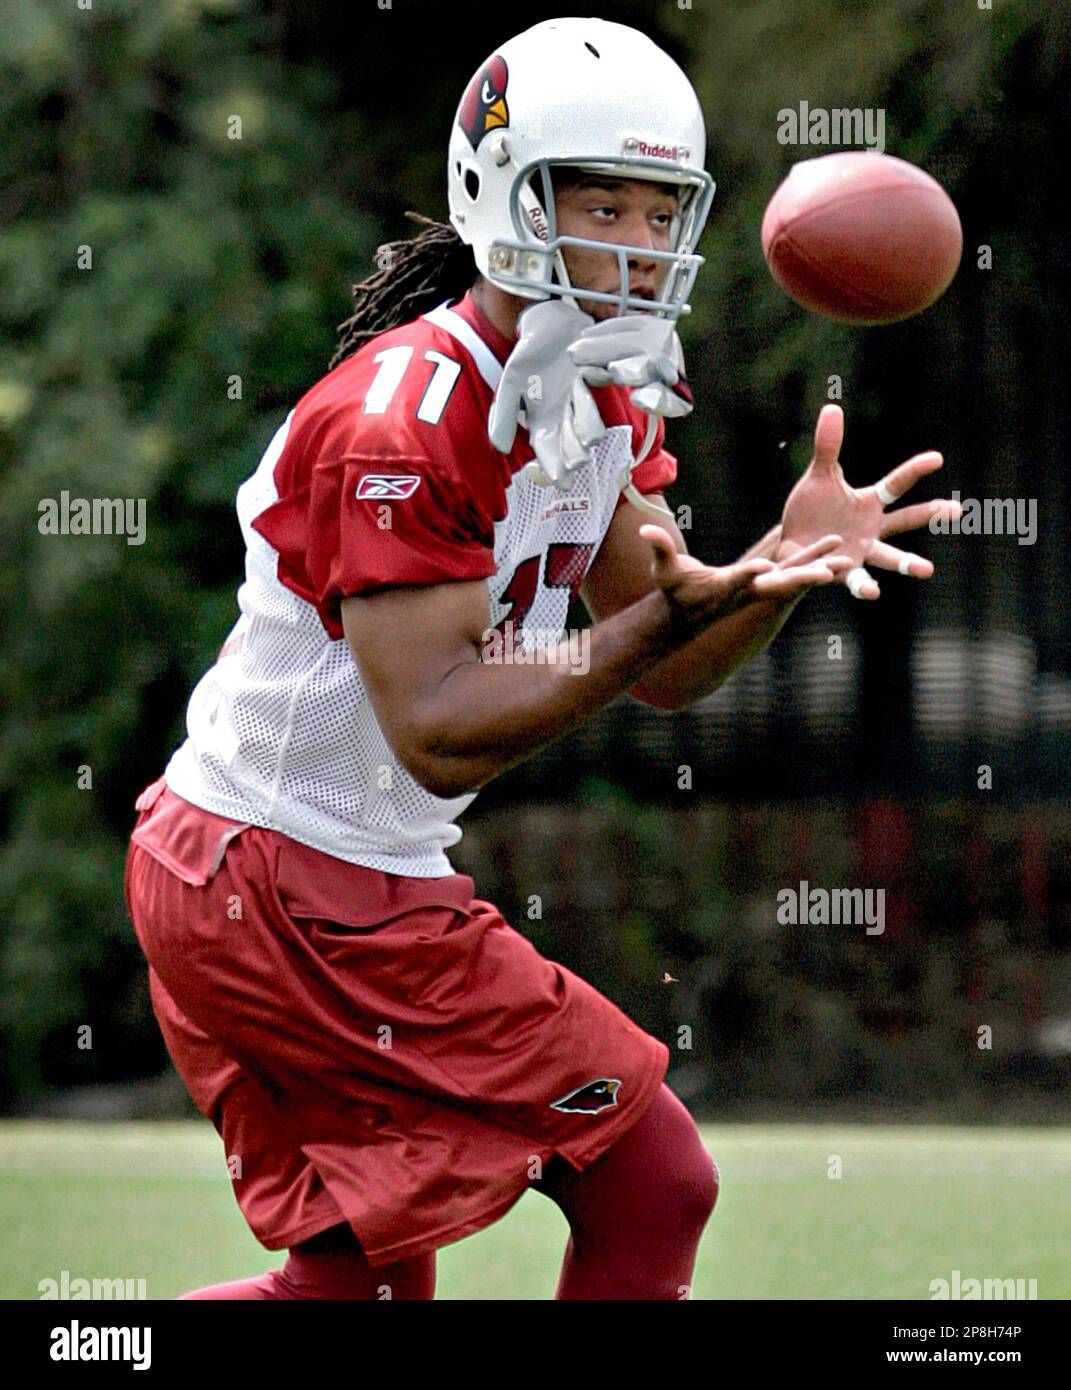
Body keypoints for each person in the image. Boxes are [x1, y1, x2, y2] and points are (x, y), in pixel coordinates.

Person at [123, 17, 957, 1300]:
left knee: (350, 1291)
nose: (632, 241)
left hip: (286, 865)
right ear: (499, 195)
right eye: (600, 202)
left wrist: (774, 573)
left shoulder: (599, 394)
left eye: (656, 209)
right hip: (283, 869)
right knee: (652, 1174)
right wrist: (654, 625)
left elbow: (671, 658)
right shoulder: (408, 412)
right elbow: (438, 722)